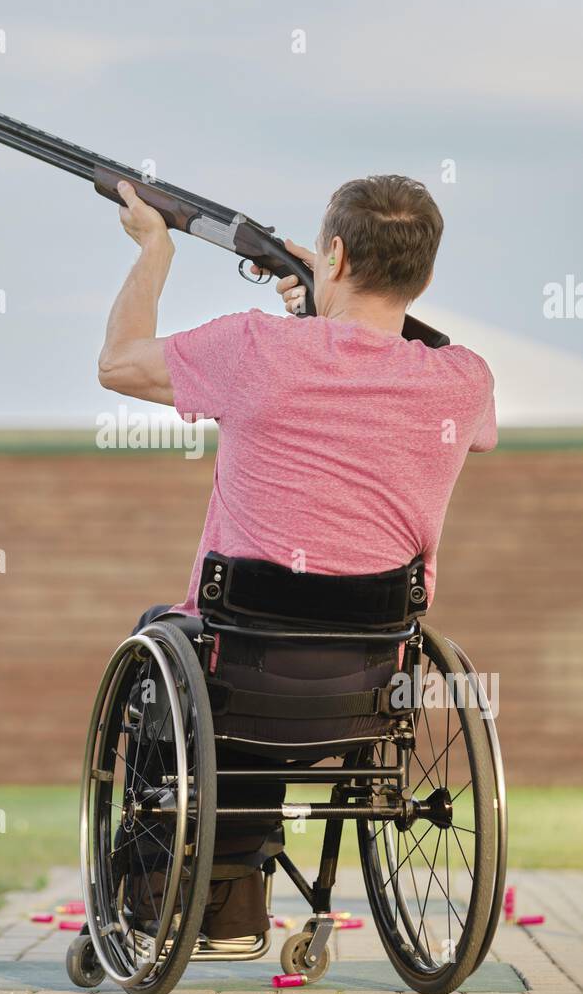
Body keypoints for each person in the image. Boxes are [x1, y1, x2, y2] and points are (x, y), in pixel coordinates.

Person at [98, 173, 497, 940]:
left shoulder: (254, 348)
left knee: (165, 637)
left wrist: (155, 246)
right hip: (371, 686)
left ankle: (172, 891)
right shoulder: (461, 380)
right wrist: (338, 314)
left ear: (334, 254)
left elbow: (117, 362)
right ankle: (236, 883)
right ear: (427, 276)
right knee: (253, 658)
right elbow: (460, 411)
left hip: (233, 676)